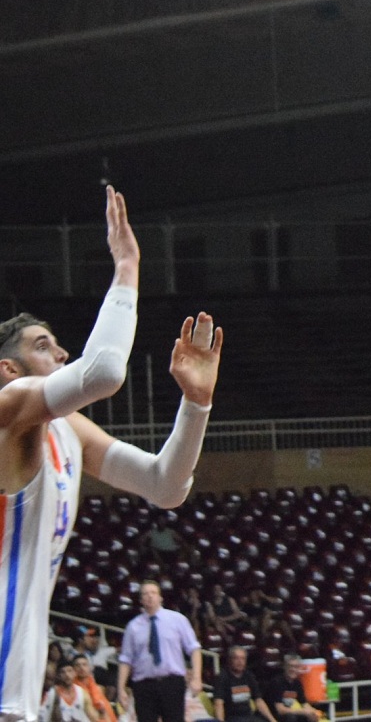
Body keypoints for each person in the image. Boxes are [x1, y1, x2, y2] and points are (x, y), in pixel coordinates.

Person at [0, 185, 223, 722]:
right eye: (41, 345)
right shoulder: (7, 406)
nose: (60, 351)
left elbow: (166, 486)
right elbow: (102, 371)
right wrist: (127, 267)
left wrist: (197, 404)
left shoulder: (68, 432)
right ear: (8, 368)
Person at [117, 580, 203, 722]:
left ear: (160, 597)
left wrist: (197, 677)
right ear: (141, 600)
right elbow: (125, 659)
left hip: (171, 682)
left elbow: (194, 648)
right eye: (145, 594)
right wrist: (120, 688)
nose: (150, 596)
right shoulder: (133, 627)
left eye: (153, 593)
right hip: (143, 685)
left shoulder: (177, 620)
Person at [212, 646, 279, 722]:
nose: (240, 662)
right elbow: (218, 703)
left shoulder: (249, 676)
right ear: (230, 660)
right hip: (232, 718)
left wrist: (272, 720)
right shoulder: (222, 677)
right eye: (236, 658)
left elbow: (258, 701)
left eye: (243, 658)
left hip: (248, 716)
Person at [264, 655, 321, 722]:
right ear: (284, 666)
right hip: (272, 716)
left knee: (310, 717)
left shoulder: (297, 683)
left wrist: (313, 712)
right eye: (290, 666)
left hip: (288, 714)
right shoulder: (277, 682)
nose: (293, 669)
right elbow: (280, 710)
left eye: (296, 667)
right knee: (291, 717)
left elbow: (304, 704)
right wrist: (302, 711)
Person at [71, 655, 116, 722]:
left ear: (89, 667)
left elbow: (104, 709)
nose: (81, 668)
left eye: (84, 664)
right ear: (73, 669)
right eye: (78, 665)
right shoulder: (73, 688)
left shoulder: (97, 688)